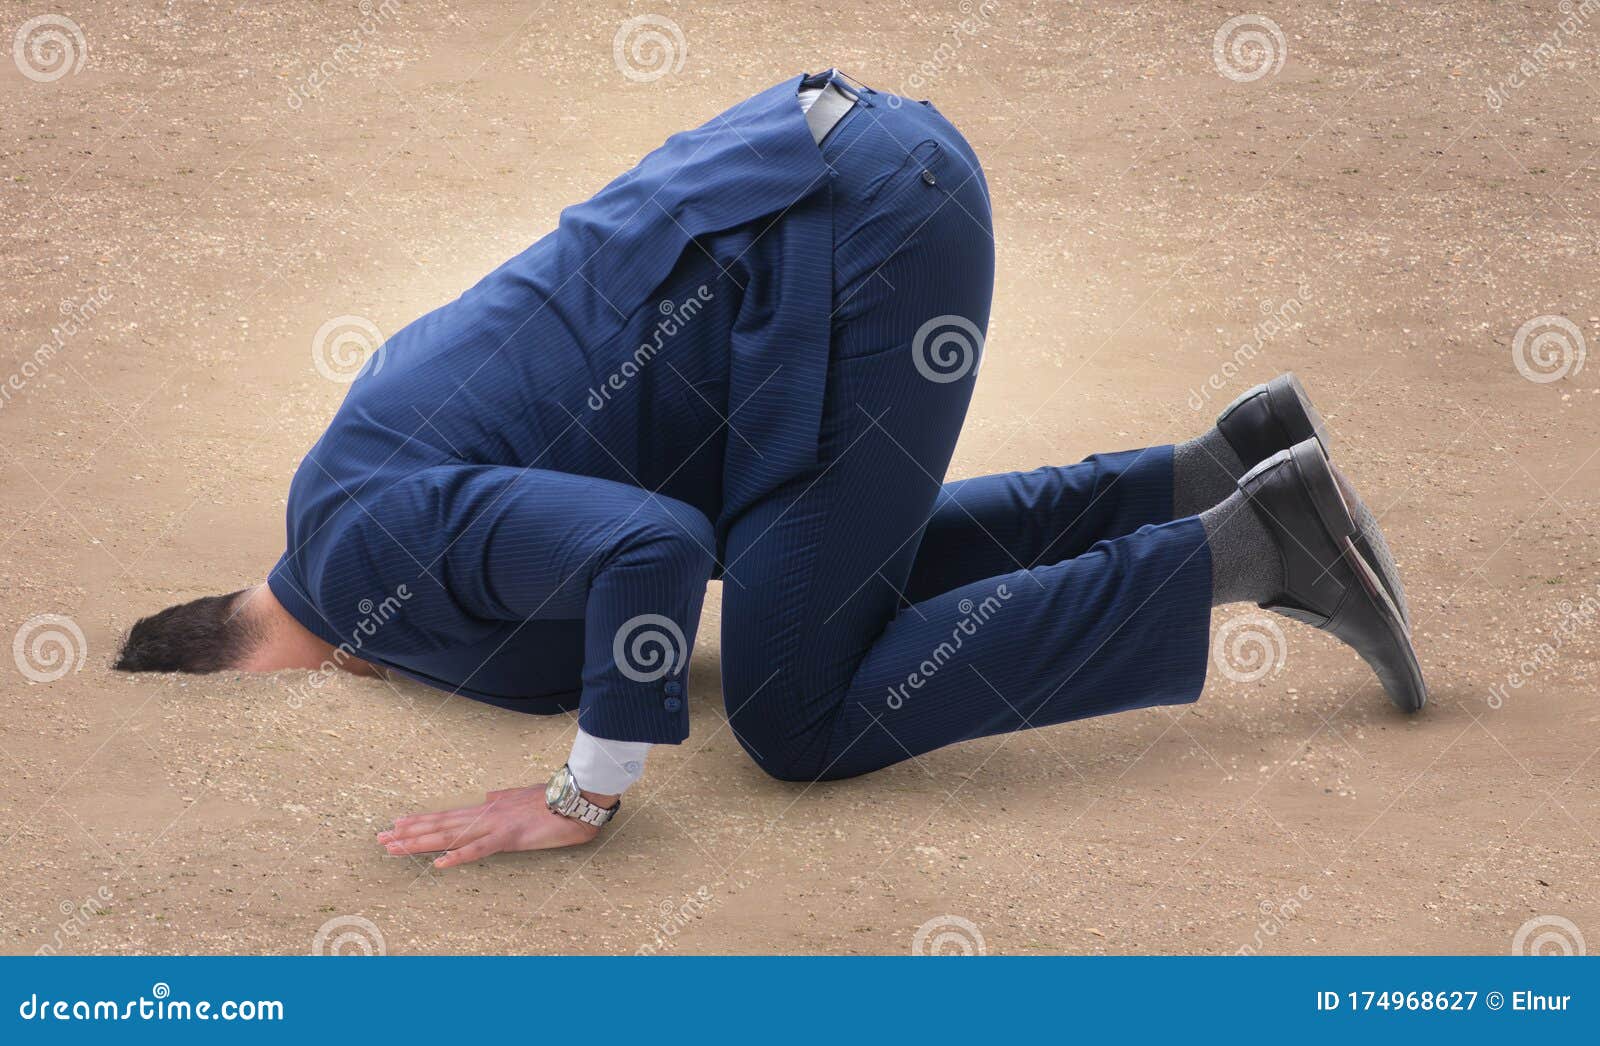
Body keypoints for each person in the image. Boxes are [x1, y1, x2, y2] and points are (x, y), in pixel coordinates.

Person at [114, 71, 1424, 868]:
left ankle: (1255, 547)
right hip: (821, 186)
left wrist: (587, 790)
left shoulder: (368, 558)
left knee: (794, 711)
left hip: (850, 228)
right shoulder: (342, 490)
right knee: (800, 592)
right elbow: (637, 549)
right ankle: (1208, 475)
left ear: (256, 667)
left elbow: (653, 552)